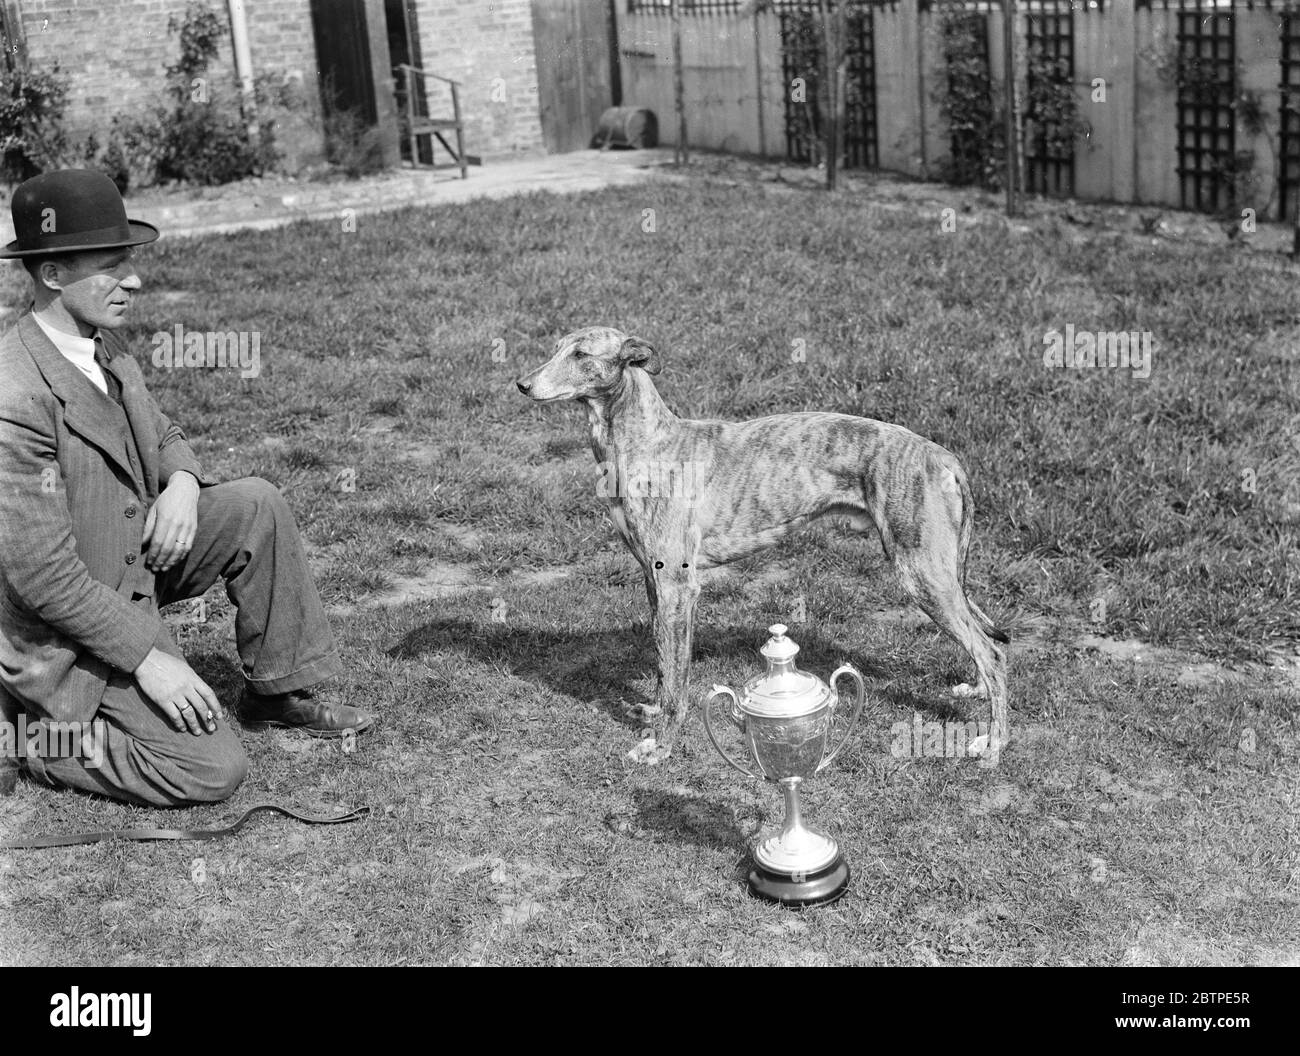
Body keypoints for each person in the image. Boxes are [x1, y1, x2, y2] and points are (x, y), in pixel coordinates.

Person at [0, 169, 373, 806]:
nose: (136, 281)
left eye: (132, 264)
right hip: (61, 624)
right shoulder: (14, 394)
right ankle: (29, 737)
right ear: (53, 274)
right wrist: (150, 657)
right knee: (212, 770)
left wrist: (182, 484)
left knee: (256, 504)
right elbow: (43, 579)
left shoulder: (104, 347)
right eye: (112, 267)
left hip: (126, 558)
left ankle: (276, 690)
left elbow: (161, 431)